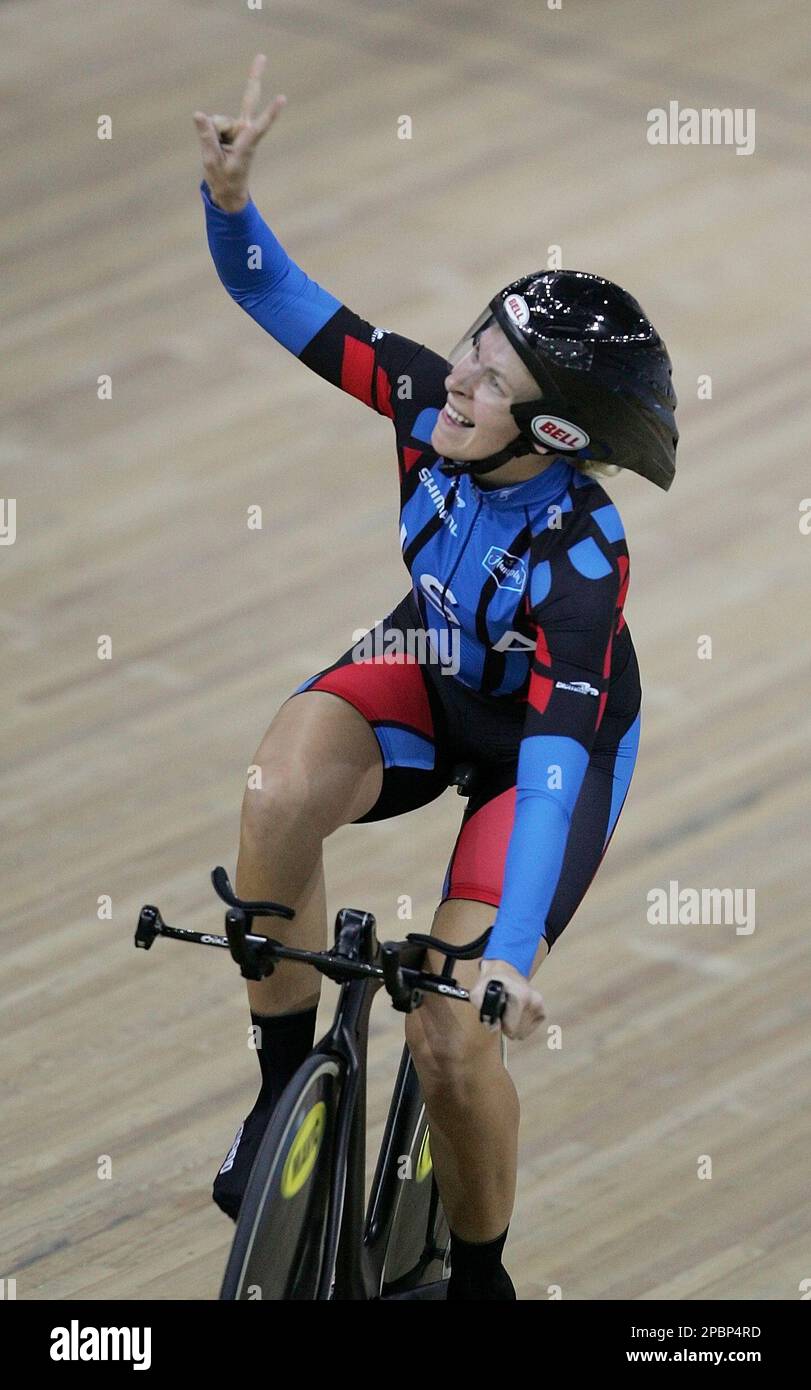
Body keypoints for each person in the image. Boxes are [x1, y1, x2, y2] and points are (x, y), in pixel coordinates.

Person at [193, 54, 677, 1301]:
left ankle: (480, 1277)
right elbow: (280, 298)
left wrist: (509, 951)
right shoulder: (428, 402)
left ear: (551, 435)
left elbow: (560, 763)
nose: (453, 382)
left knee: (452, 1043)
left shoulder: (582, 564)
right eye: (466, 354)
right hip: (430, 659)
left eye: (488, 386)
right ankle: (275, 1105)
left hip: (537, 750)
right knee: (273, 794)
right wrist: (231, 199)